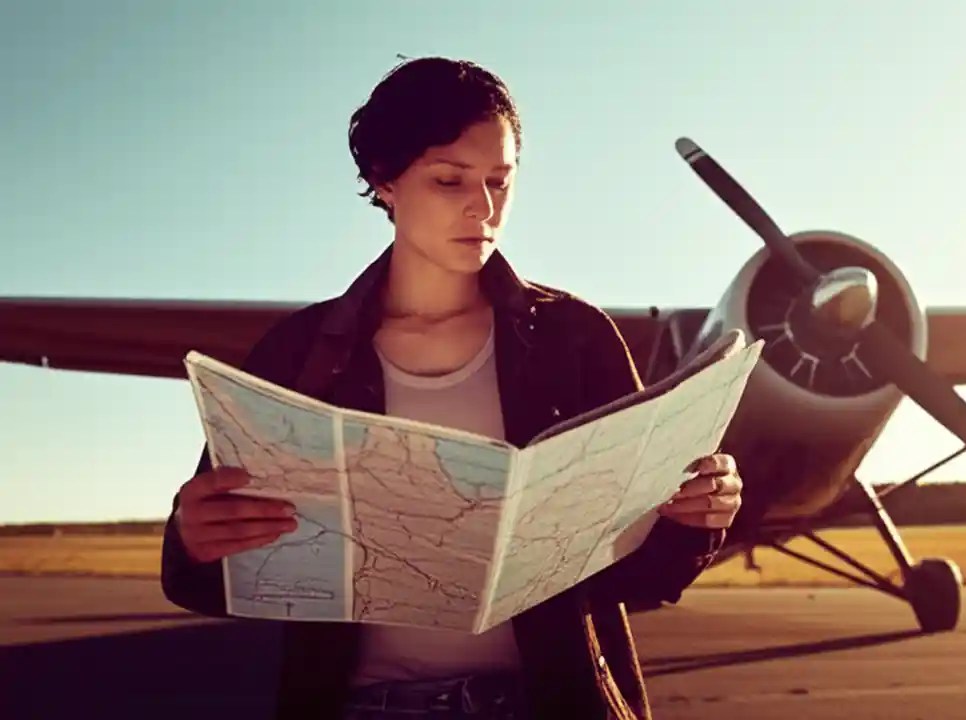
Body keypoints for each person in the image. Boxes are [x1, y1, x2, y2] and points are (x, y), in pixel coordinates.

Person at [159, 56, 744, 720]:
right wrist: (193, 540)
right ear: (384, 181)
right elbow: (208, 579)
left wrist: (694, 521)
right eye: (449, 180)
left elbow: (641, 578)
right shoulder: (296, 352)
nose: (484, 207)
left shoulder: (577, 339)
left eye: (500, 180)